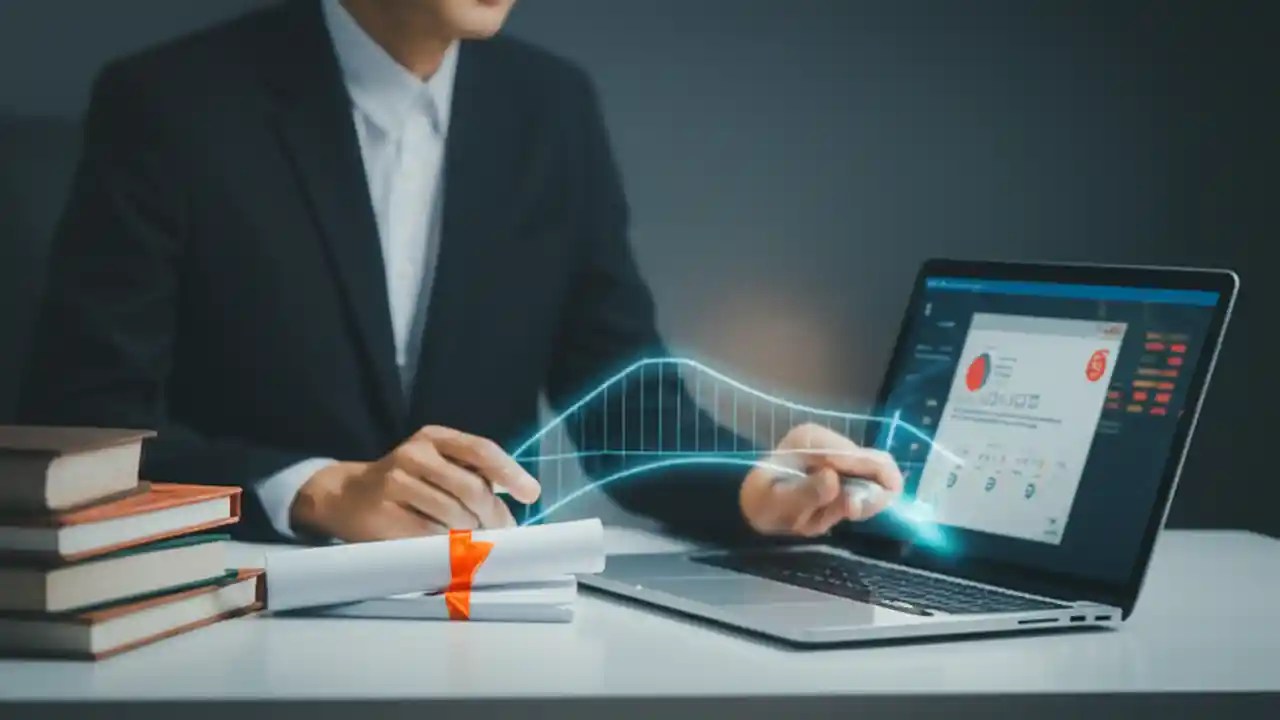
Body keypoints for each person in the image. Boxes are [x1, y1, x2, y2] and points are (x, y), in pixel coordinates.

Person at [19, 0, 902, 544]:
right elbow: (83, 423)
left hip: (482, 623)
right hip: (232, 604)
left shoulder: (550, 109)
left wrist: (757, 485)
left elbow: (626, 399)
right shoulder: (173, 101)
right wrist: (316, 489)